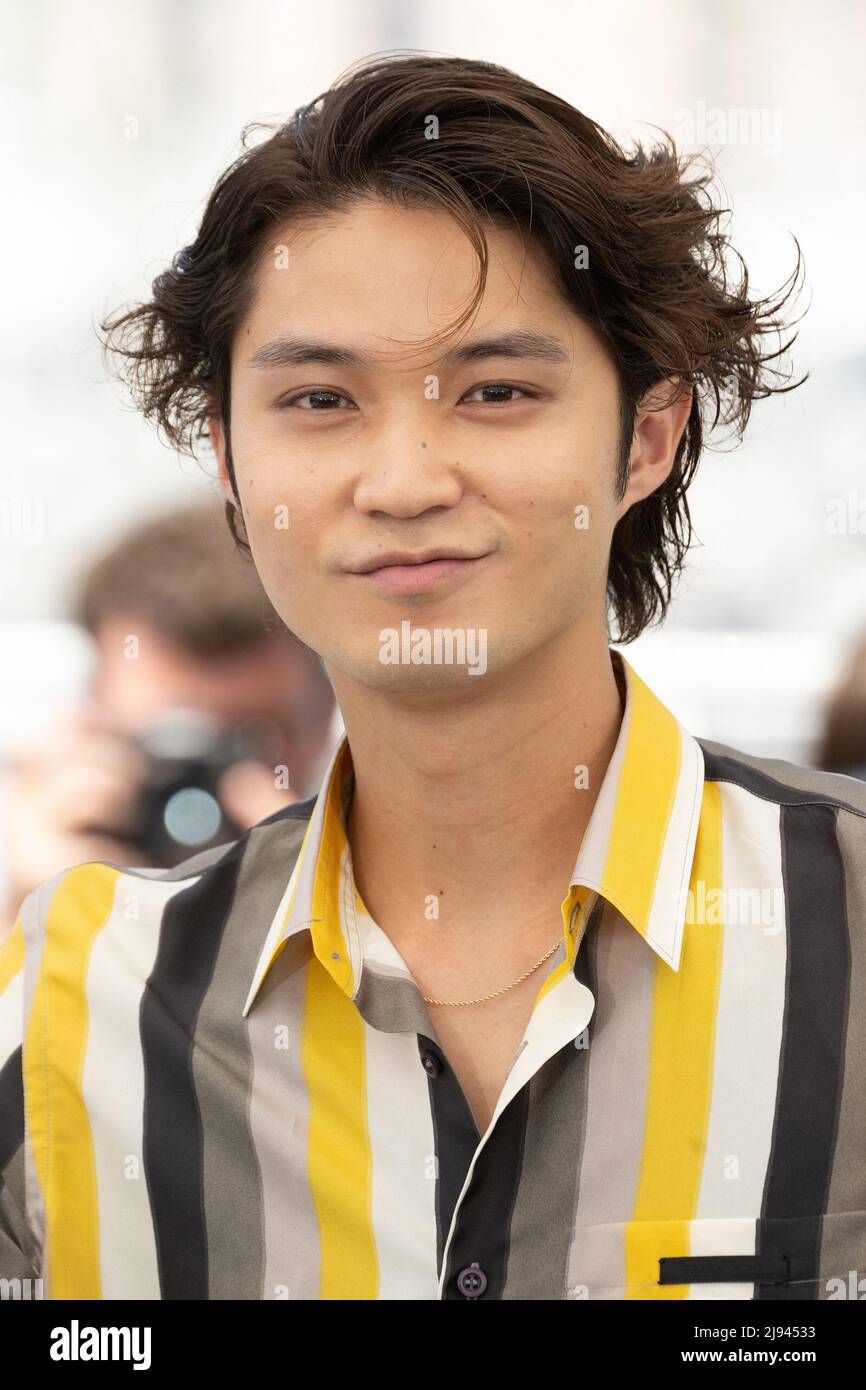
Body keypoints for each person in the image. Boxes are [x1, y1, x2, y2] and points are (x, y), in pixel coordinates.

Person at [2, 52, 864, 1302]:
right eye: (317, 398)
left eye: (496, 390)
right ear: (229, 462)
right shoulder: (81, 1001)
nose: (402, 480)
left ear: (645, 437)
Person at [0, 500, 337, 943]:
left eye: (258, 737)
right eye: (177, 736)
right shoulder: (32, 834)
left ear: (329, 713)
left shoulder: (388, 859)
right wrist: (28, 934)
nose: (208, 791)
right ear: (91, 717)